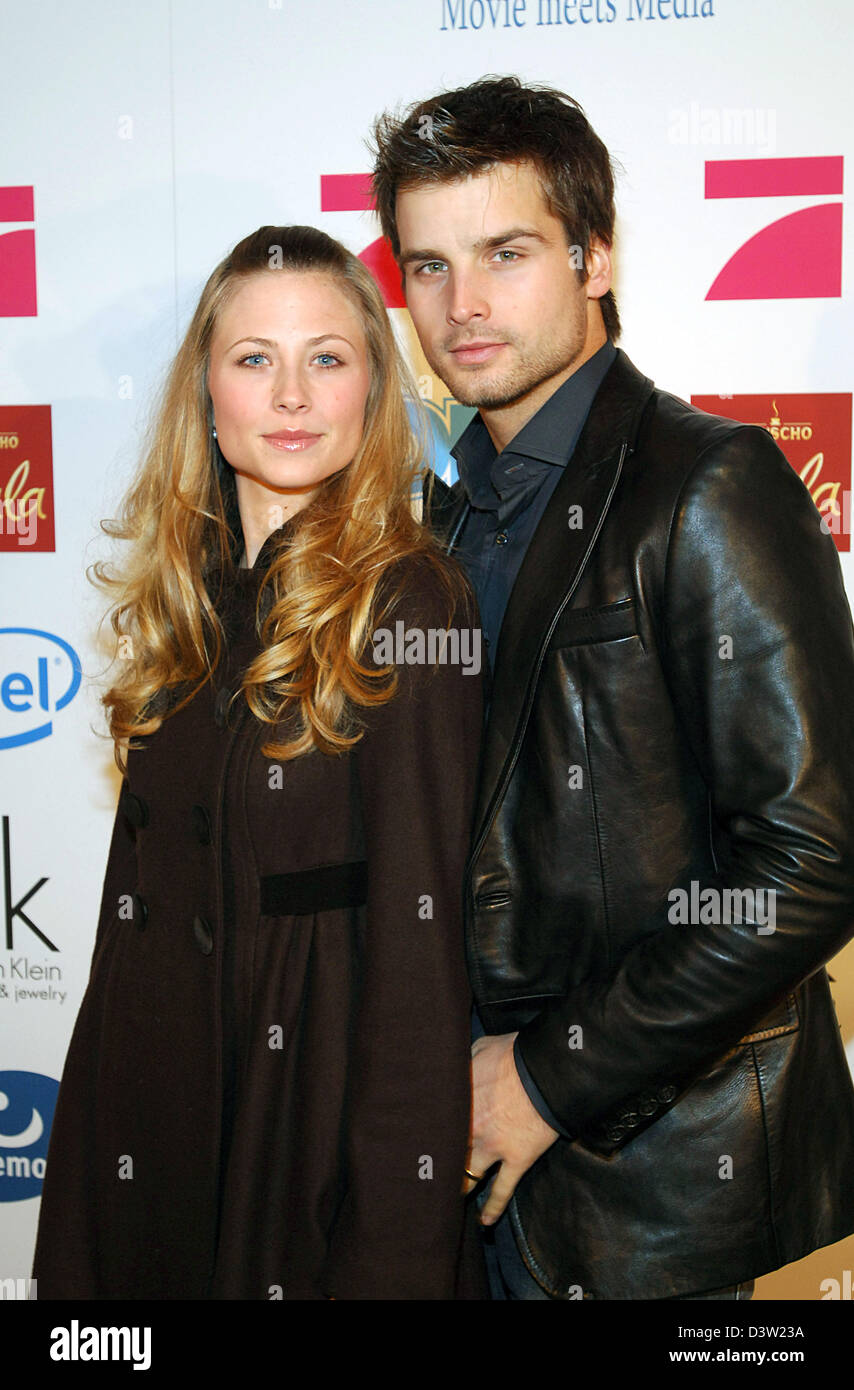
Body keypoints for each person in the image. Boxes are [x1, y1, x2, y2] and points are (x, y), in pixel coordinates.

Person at [370, 75, 854, 1301]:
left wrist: (544, 1076)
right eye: (426, 266)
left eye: (505, 251)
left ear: (591, 256)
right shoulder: (421, 518)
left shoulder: (707, 485)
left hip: (642, 1192)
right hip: (448, 1185)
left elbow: (809, 863)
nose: (462, 304)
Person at [32, 224, 485, 1300]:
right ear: (205, 387)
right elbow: (126, 927)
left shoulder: (410, 602)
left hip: (303, 1140)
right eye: (254, 358)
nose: (290, 394)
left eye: (326, 357)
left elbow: (421, 959)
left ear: (374, 387)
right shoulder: (182, 602)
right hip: (146, 1130)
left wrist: (393, 1248)